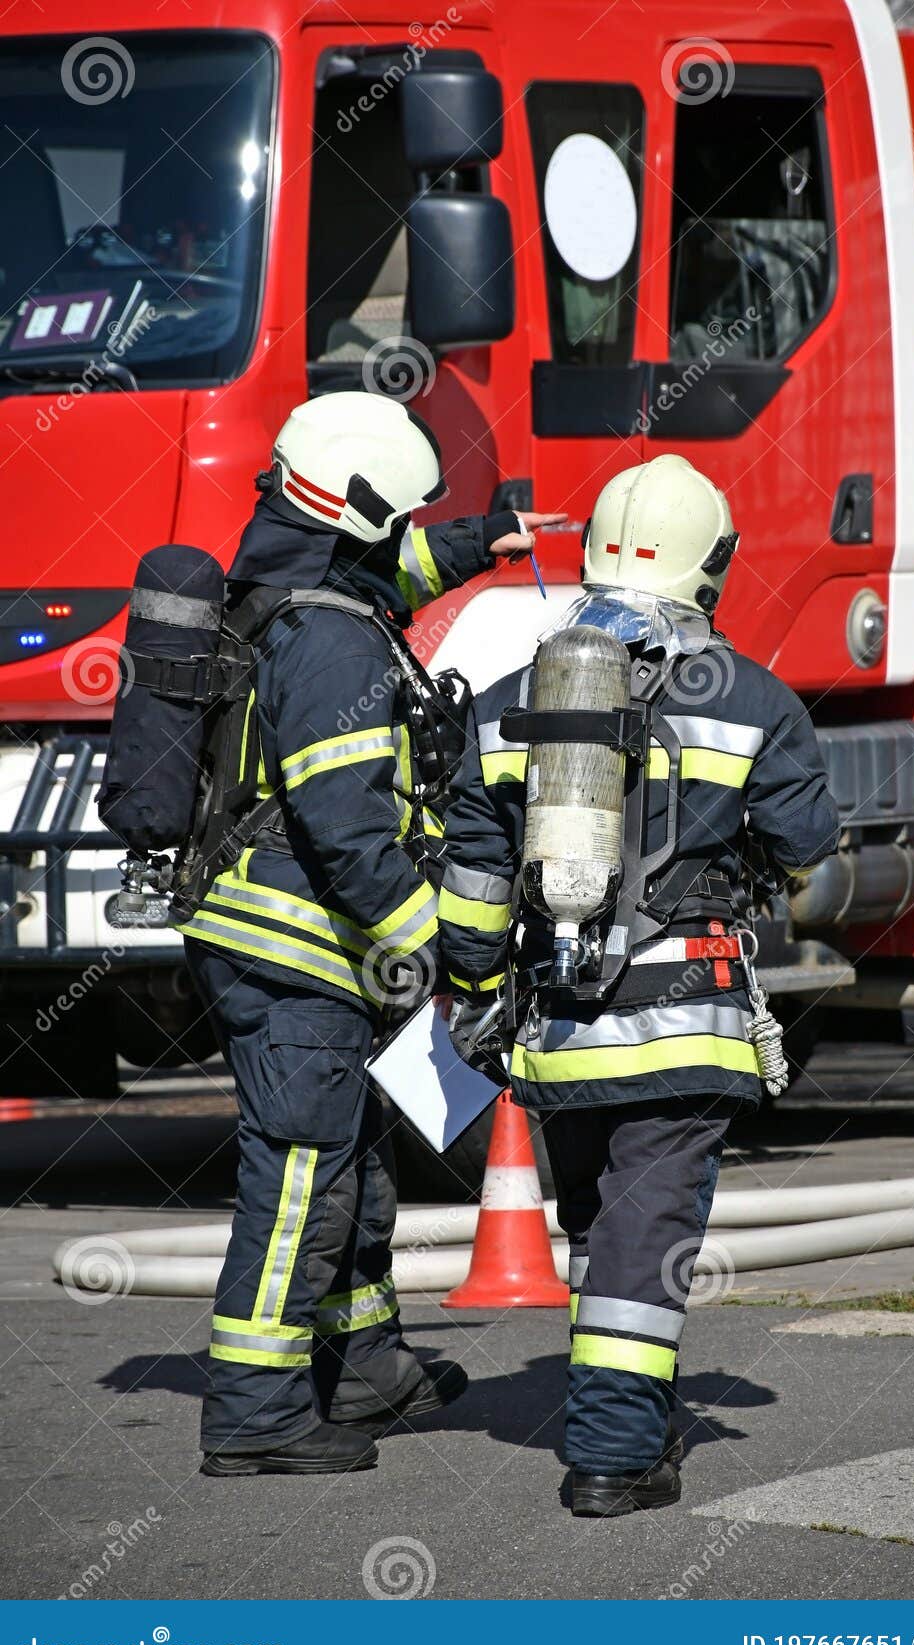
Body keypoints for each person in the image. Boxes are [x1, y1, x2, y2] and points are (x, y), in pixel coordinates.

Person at [436, 453, 839, 1515]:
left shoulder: (508, 701)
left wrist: (471, 985)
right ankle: (614, 1456)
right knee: (640, 1237)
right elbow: (804, 844)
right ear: (708, 562)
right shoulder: (751, 697)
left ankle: (630, 1418)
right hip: (686, 1022)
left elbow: (473, 880)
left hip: (560, 1027)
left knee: (600, 1227)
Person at [181, 390, 561, 1476]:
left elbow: (389, 572)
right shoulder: (335, 649)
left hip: (295, 947)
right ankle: (255, 1412)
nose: (408, 538)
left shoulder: (297, 579)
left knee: (352, 1162)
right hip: (292, 950)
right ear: (357, 511)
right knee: (302, 1174)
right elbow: (345, 830)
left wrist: (482, 540)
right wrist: (431, 947)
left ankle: (363, 1368)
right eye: (402, 516)